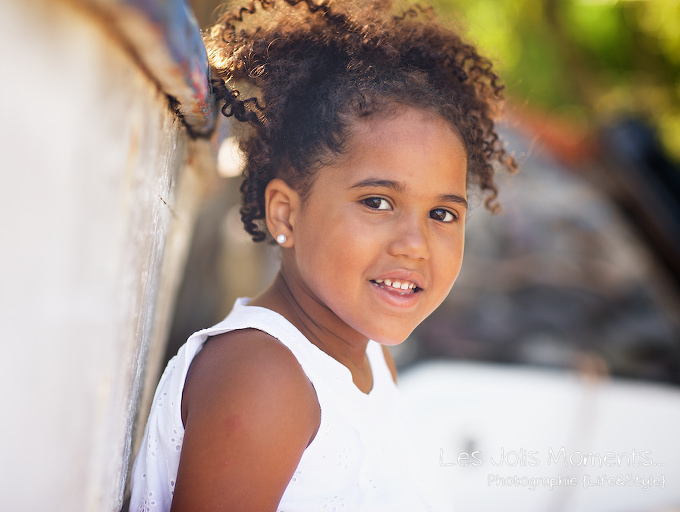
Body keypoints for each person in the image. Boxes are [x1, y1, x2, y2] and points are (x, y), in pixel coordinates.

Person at [129, 0, 516, 510]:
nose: (415, 244)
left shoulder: (373, 361)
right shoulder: (265, 377)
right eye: (377, 202)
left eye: (442, 214)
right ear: (286, 215)